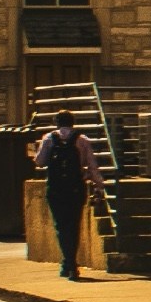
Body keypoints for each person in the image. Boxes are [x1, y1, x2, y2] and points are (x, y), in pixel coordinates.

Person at [38, 117, 97, 279]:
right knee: (74, 224)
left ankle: (68, 262)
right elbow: (92, 165)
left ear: (56, 123)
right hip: (76, 188)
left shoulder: (49, 139)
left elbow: (40, 161)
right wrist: (99, 184)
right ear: (73, 122)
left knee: (61, 226)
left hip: (56, 189)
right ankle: (71, 263)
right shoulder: (82, 140)